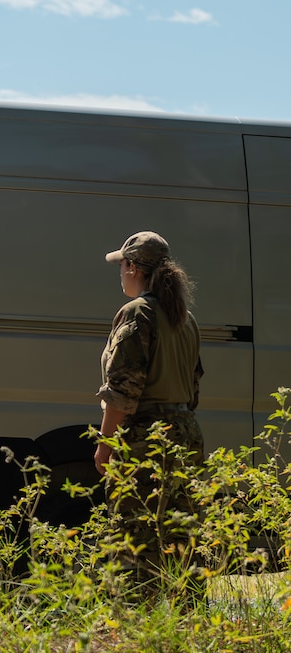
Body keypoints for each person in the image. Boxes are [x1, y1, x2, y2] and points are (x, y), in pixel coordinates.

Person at [95, 230, 204, 598]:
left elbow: (123, 389)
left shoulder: (137, 312)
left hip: (146, 439)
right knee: (180, 536)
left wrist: (105, 444)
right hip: (186, 436)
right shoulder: (185, 319)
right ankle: (187, 624)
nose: (120, 274)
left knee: (136, 537)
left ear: (131, 266)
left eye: (121, 266)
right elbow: (194, 388)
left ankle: (139, 626)